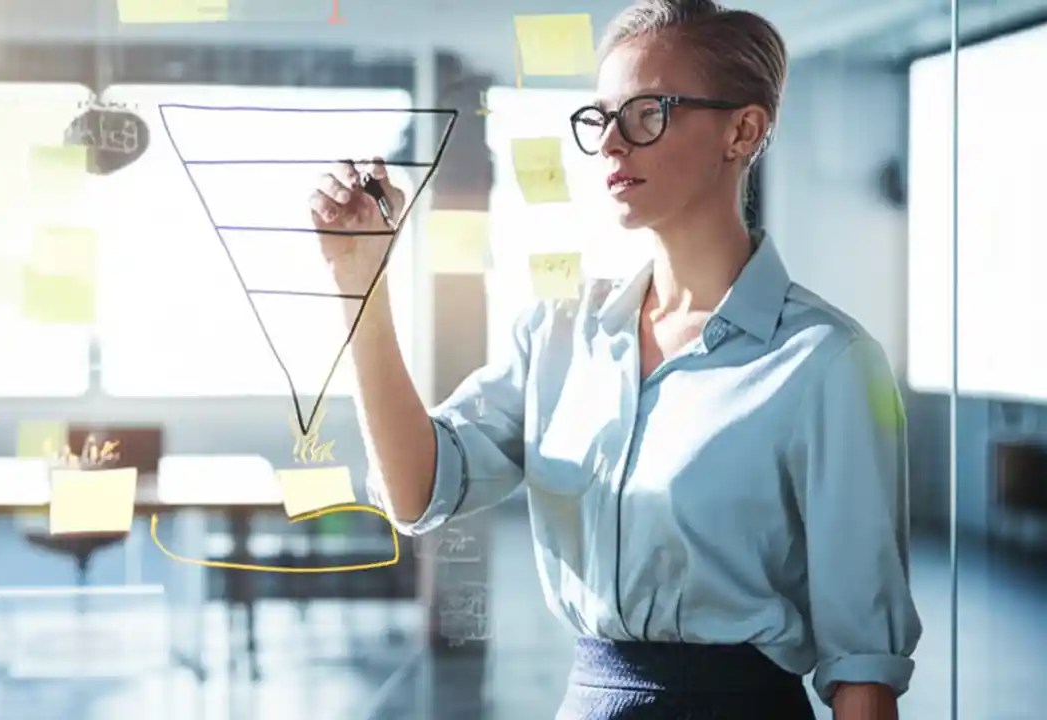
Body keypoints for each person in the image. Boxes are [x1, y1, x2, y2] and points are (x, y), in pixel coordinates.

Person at [309, 0, 922, 717]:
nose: (610, 145)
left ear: (743, 130)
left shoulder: (826, 363)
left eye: (647, 113)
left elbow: (863, 674)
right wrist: (361, 284)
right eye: (601, 117)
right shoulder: (557, 337)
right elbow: (417, 491)